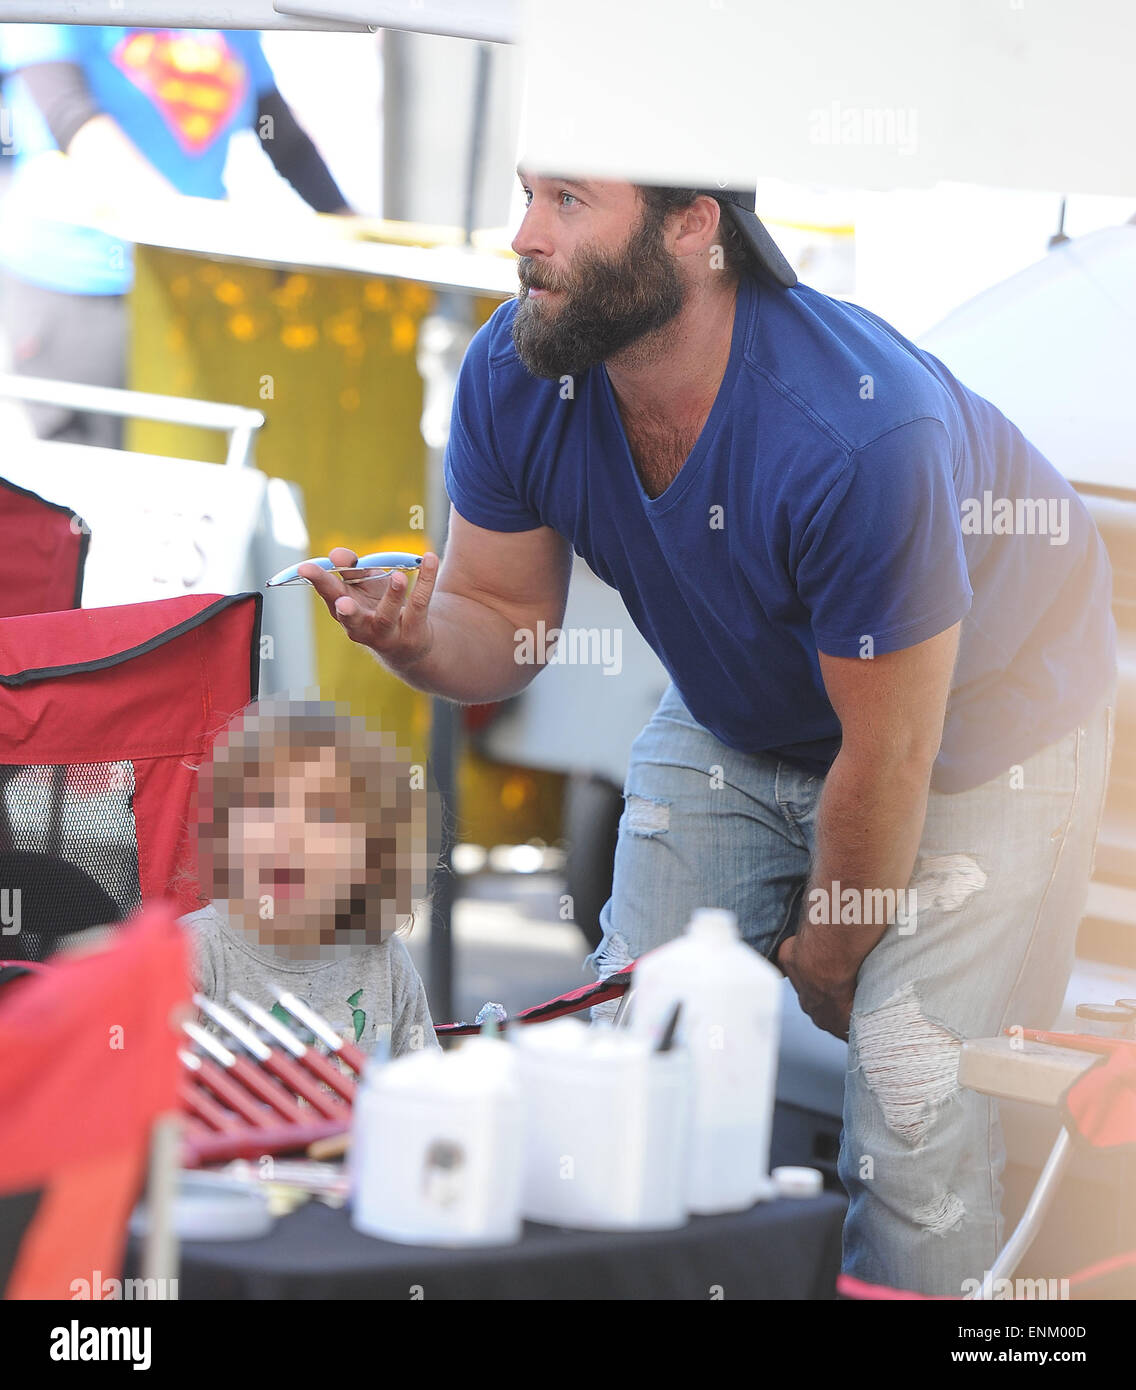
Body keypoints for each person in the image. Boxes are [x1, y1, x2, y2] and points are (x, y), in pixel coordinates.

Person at [299, 174, 1117, 1295]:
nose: (524, 236)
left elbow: (886, 759)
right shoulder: (517, 362)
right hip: (746, 702)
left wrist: (831, 953)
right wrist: (413, 634)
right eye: (528, 193)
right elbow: (498, 619)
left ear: (694, 225)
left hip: (980, 732)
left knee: (908, 1124)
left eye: (571, 203)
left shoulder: (856, 434)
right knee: (629, 1054)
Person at [0, 24, 353, 446]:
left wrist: (359, 236)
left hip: (188, 283)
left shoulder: (225, 15)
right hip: (79, 285)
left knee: (192, 467)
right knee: (93, 487)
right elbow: (69, 114)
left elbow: (281, 138)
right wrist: (184, 226)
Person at [181, 697, 439, 1058]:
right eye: (263, 804)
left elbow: (422, 1091)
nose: (288, 831)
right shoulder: (193, 955)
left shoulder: (383, 962)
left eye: (323, 813)